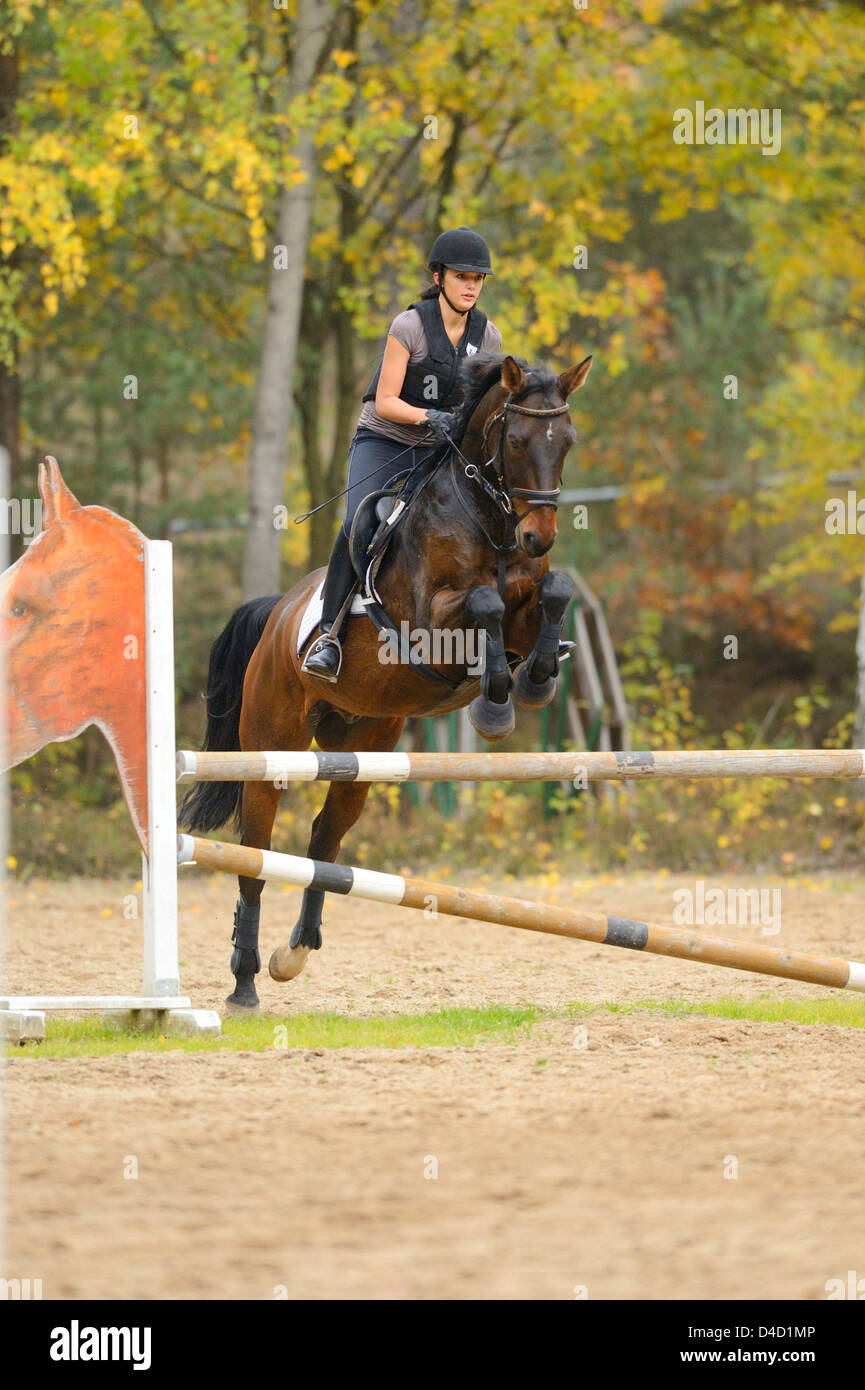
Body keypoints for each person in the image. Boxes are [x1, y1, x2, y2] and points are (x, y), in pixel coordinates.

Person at [301, 226, 503, 681]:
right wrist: (428, 417)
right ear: (438, 277)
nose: (471, 285)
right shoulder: (409, 325)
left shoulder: (488, 336)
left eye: (478, 278)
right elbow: (385, 401)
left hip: (442, 448)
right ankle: (329, 636)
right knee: (360, 522)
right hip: (386, 440)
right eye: (462, 276)